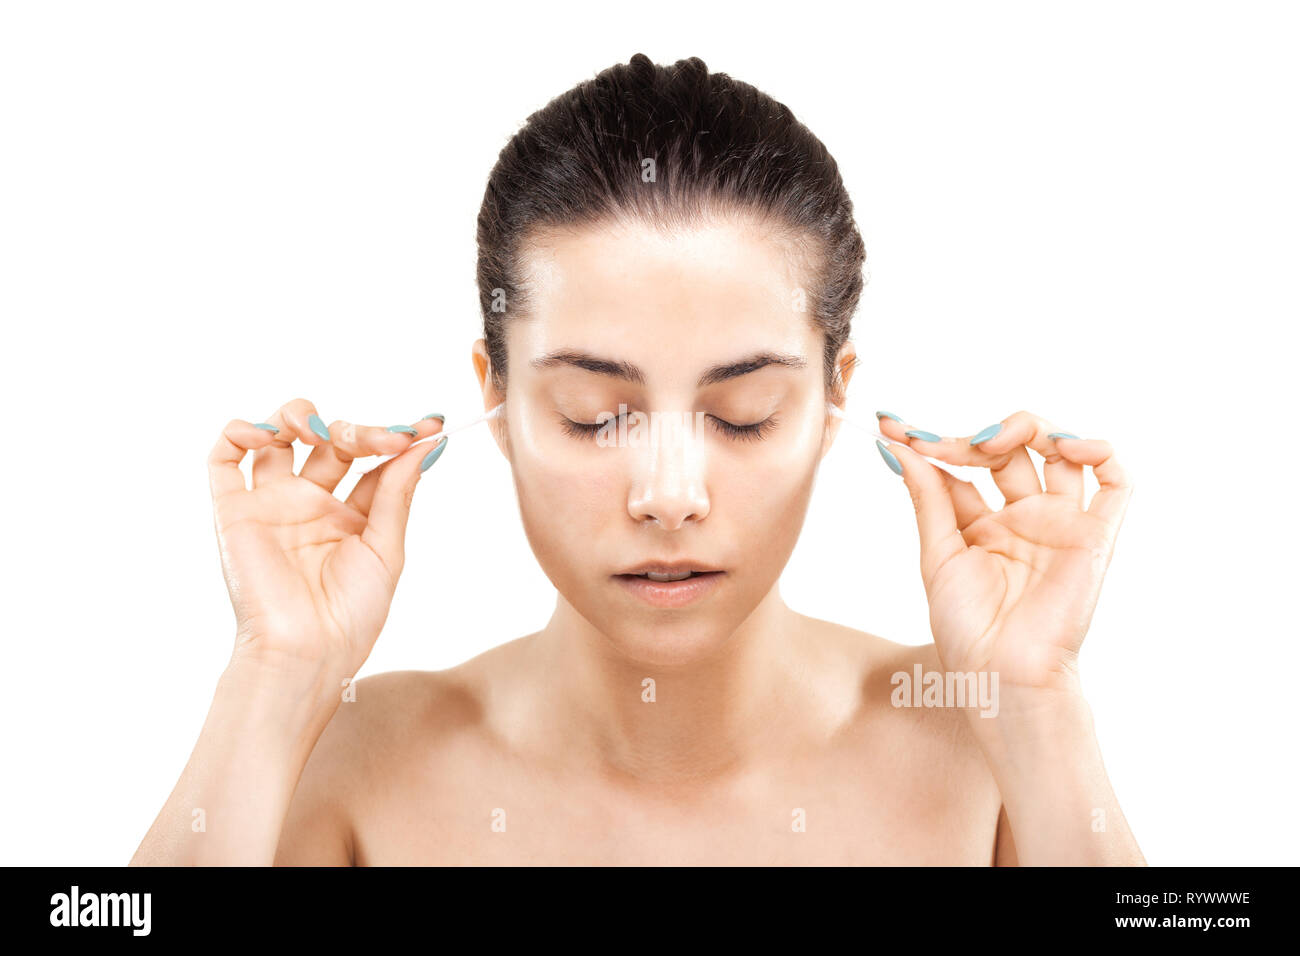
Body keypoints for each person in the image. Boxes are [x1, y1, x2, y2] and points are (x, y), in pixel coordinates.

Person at [132, 54, 1142, 865]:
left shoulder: (983, 751)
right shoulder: (353, 767)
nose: (669, 495)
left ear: (834, 400)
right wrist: (275, 678)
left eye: (742, 414)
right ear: (496, 393)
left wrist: (1038, 705)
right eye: (590, 412)